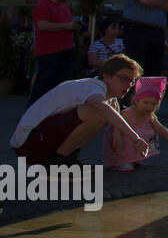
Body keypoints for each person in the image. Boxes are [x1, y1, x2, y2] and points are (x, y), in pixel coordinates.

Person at [10, 54, 149, 166]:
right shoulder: (93, 87)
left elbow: (113, 112)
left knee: (104, 111)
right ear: (106, 77)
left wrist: (118, 134)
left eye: (132, 81)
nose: (129, 85)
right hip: (28, 144)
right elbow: (102, 108)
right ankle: (58, 162)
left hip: (37, 142)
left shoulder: (109, 97)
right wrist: (135, 138)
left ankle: (67, 158)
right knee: (96, 111)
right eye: (124, 78)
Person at [103, 76, 168, 172]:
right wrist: (116, 136)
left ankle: (134, 158)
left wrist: (166, 133)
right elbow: (117, 126)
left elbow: (158, 126)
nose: (149, 106)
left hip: (137, 139)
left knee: (147, 133)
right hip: (122, 137)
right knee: (129, 138)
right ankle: (121, 161)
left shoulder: (149, 115)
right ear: (136, 101)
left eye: (153, 104)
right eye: (146, 102)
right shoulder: (127, 113)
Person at [29, 0, 81, 103]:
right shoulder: (43, 5)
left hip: (65, 50)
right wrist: (66, 26)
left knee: (61, 83)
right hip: (49, 51)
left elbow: (66, 23)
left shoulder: (63, 6)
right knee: (44, 83)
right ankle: (34, 109)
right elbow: (42, 25)